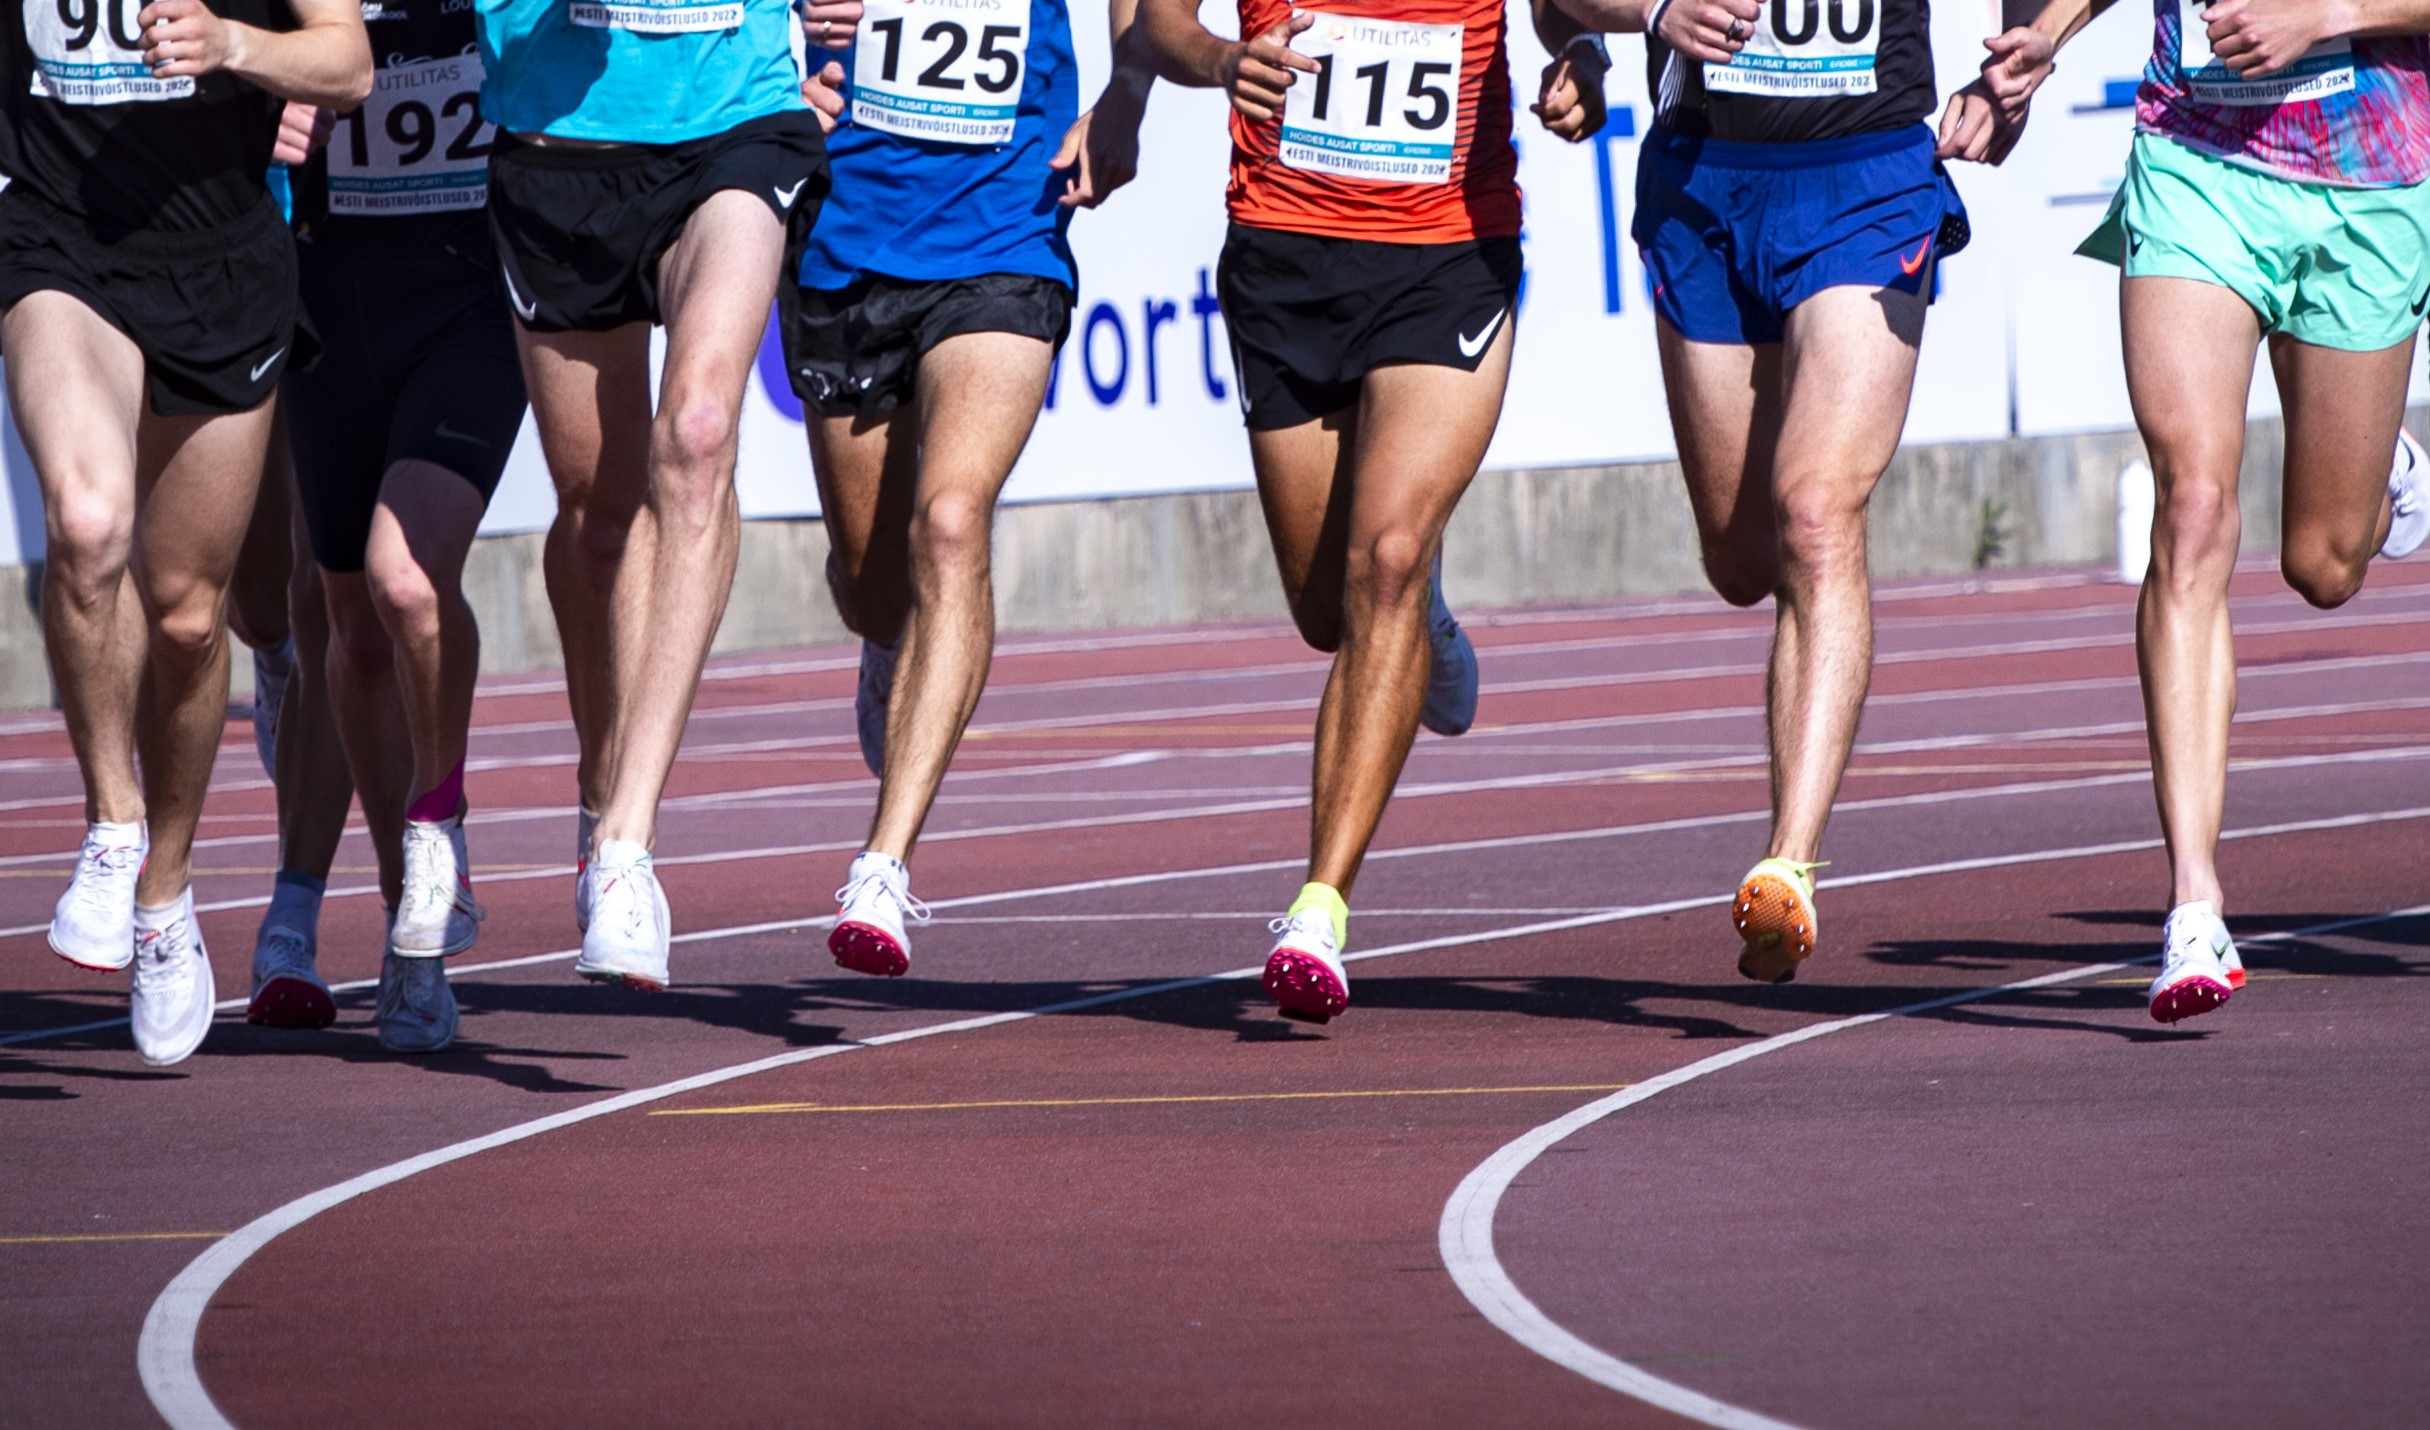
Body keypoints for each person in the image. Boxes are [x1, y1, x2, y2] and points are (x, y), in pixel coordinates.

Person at [1961, 0, 2430, 1023]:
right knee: (2193, 504)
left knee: (2325, 564)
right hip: (2194, 160)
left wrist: (2329, 16)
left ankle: (2373, 456)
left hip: (2369, 176)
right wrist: (2050, 35)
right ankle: (2193, 905)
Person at [1138, 0, 1607, 1021]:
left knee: (1386, 556)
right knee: (1331, 615)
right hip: (1284, 258)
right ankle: (1421, 615)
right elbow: (1154, 23)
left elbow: (1560, 5)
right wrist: (1220, 60)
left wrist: (1587, 49)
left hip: (1448, 255)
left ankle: (1319, 909)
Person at [1545, 0, 2006, 986]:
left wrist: (2021, 63)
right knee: (1743, 559)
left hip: (1869, 175)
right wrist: (1637, 19)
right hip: (1704, 183)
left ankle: (1789, 863)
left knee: (1816, 513)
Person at [7, 0, 371, 1066]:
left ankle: (165, 893)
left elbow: (349, 65)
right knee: (87, 522)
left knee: (186, 619)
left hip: (222, 260)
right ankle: (114, 826)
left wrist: (232, 46)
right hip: (57, 242)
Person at [472, 0, 854, 990]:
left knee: (696, 435)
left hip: (733, 125)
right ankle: (600, 782)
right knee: (597, 516)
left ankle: (627, 844)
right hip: (560, 147)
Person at [796, 0, 1156, 976]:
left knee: (951, 522)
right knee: (874, 586)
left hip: (1007, 227)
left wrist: (1126, 91)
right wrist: (774, 76)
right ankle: (885, 641)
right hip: (847, 232)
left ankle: (882, 867)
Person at [264, 0, 532, 1053]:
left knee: (405, 577)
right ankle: (405, 920)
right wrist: (266, 97)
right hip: (327, 293)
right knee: (347, 624)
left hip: (472, 294)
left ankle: (439, 820)